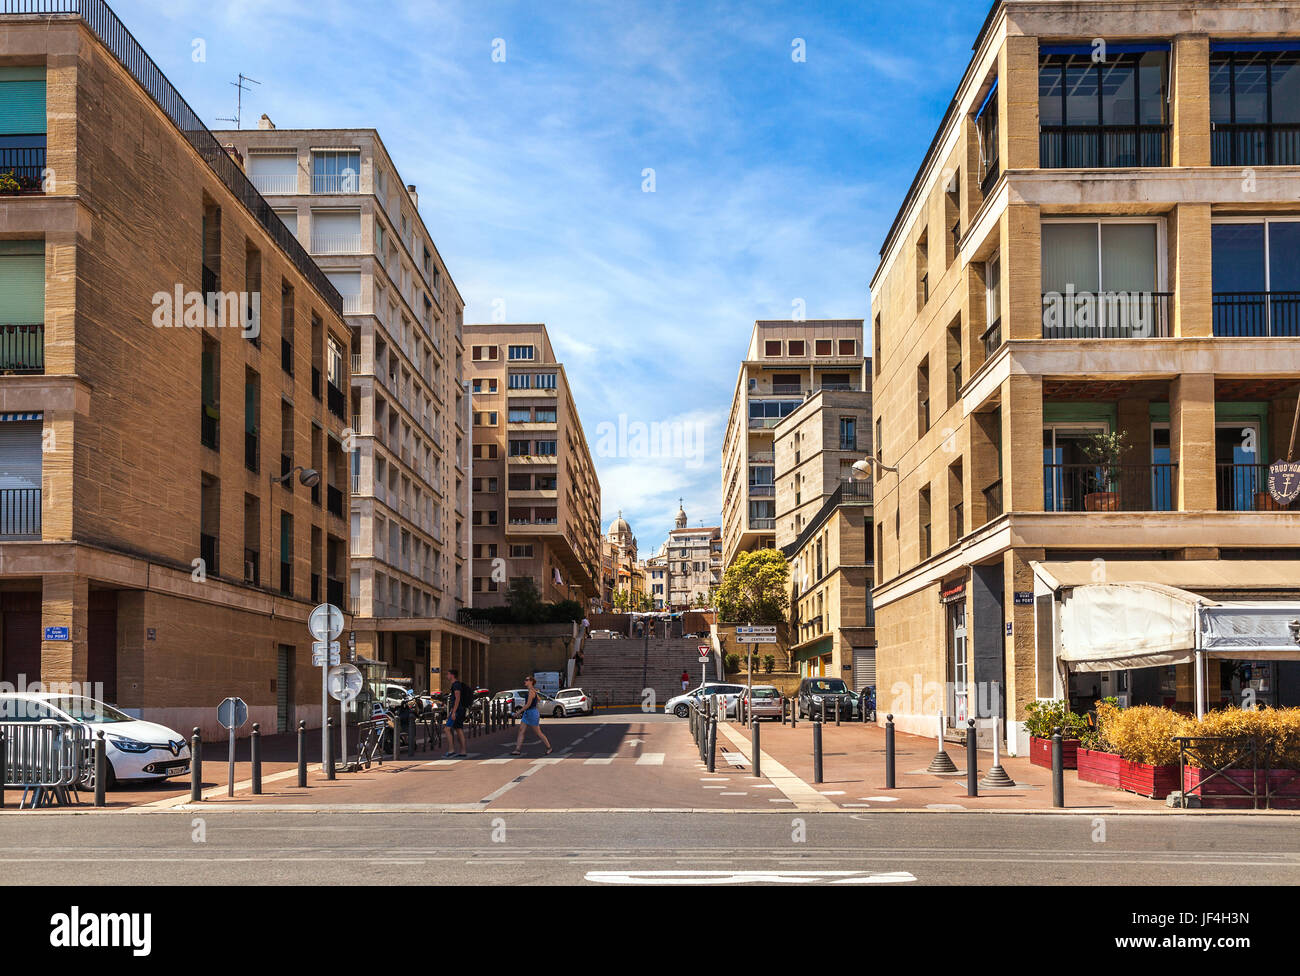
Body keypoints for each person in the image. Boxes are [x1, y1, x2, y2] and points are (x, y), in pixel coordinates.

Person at [511, 675, 553, 755]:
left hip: (532, 713)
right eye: (525, 680)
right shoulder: (532, 690)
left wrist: (518, 712)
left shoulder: (531, 691)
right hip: (528, 713)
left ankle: (549, 747)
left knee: (538, 732)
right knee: (521, 730)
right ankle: (517, 750)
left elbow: (528, 704)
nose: (525, 681)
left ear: (531, 682)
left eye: (526, 680)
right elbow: (539, 699)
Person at [443, 669, 469, 758]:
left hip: (457, 711)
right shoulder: (457, 684)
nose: (447, 676)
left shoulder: (456, 685)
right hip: (458, 710)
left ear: (452, 675)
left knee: (447, 729)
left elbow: (457, 699)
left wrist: (453, 712)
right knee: (458, 729)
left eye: (448, 674)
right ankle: (463, 751)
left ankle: (451, 750)